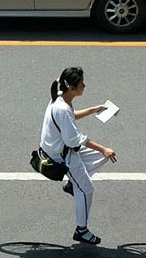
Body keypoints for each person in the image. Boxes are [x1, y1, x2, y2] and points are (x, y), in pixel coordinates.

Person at [39, 67, 117, 245]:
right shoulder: (61, 109)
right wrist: (103, 148)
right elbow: (75, 140)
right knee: (87, 188)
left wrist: (94, 109)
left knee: (101, 158)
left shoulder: (61, 99)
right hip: (61, 155)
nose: (85, 85)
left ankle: (73, 185)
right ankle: (81, 230)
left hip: (62, 149)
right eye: (82, 83)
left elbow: (71, 117)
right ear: (72, 87)